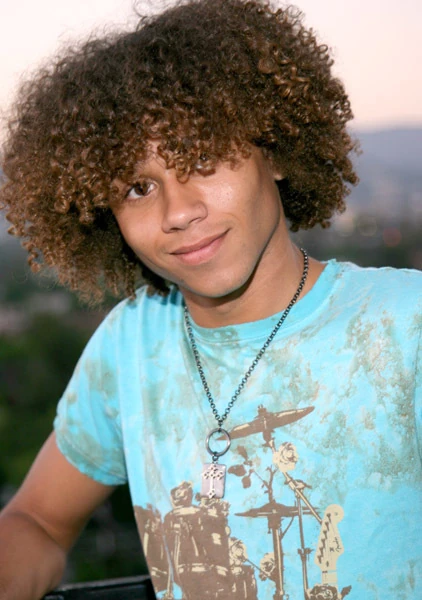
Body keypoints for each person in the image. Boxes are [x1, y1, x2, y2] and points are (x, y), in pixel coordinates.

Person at [0, 0, 420, 599]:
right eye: (138, 187)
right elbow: (38, 520)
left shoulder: (405, 327)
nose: (179, 211)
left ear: (275, 150)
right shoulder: (130, 344)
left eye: (201, 157)